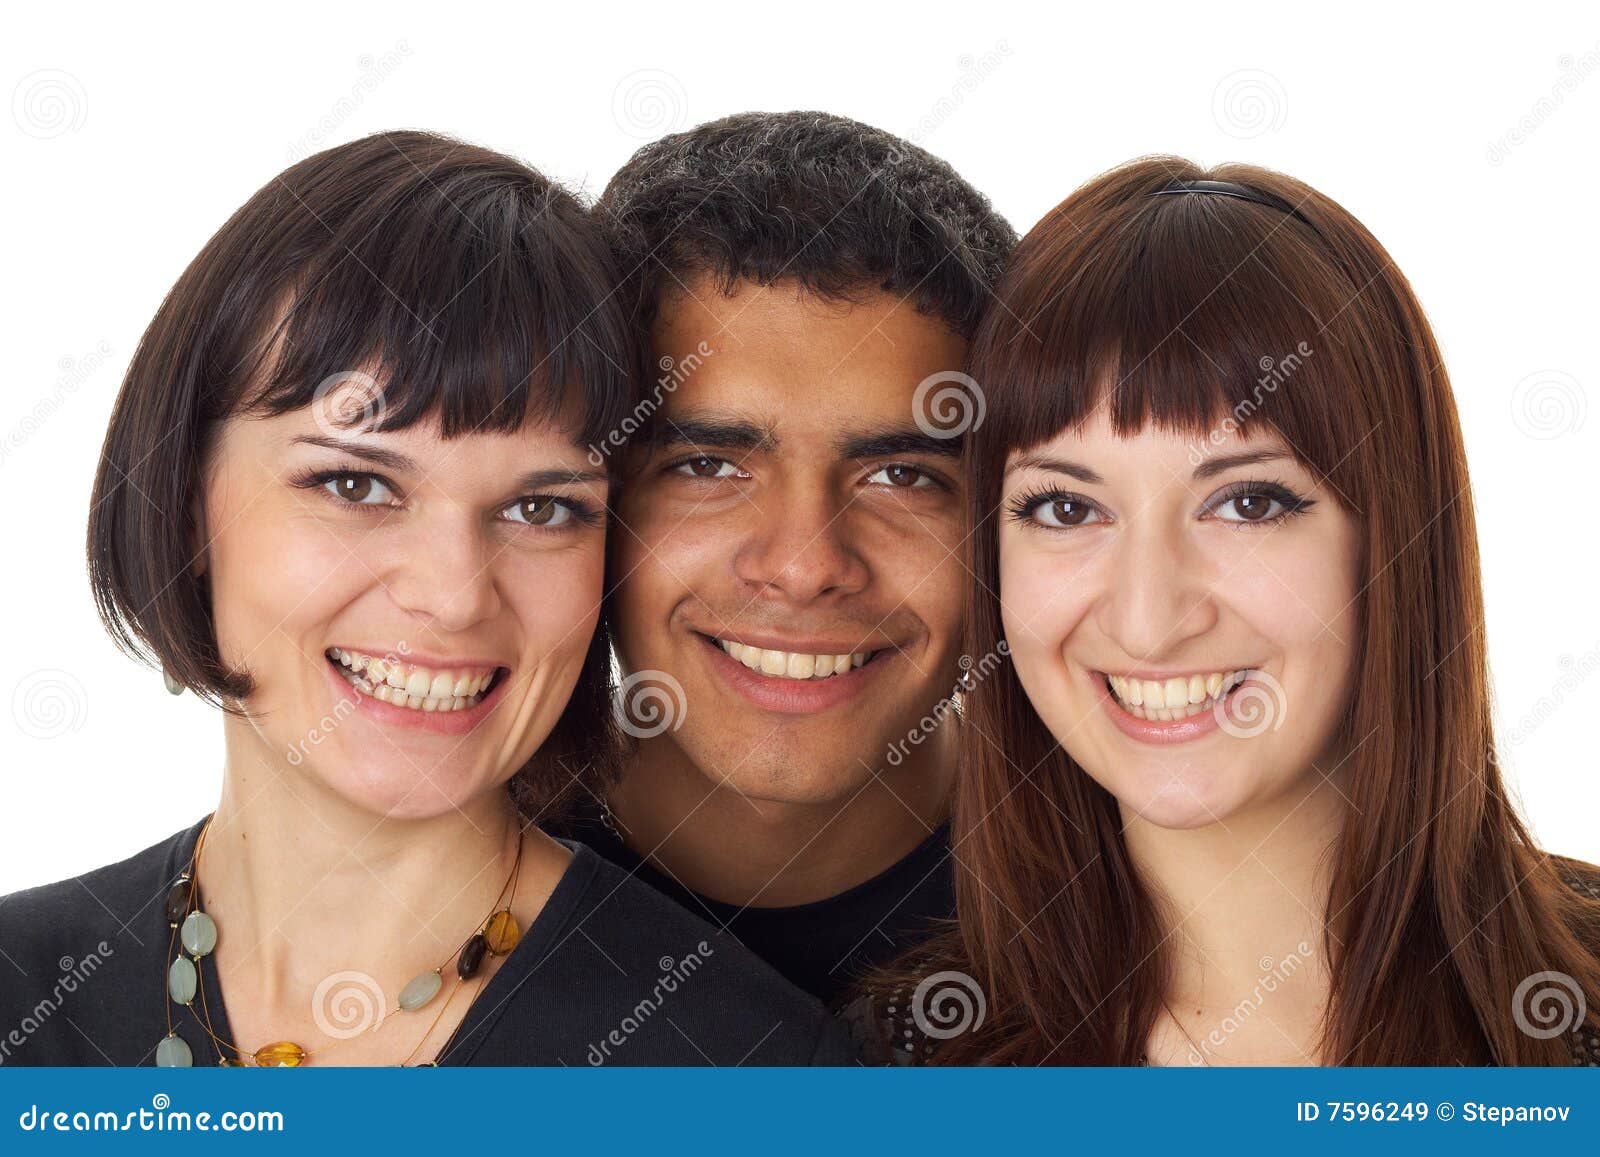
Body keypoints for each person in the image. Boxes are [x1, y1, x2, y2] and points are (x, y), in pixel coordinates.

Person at [0, 131, 853, 1067]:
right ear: (182, 497)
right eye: (356, 485)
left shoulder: (752, 1067)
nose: (452, 595)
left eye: (542, 506)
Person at [873, 158, 1600, 1065]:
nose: (1147, 619)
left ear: (1397, 541)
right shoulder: (892, 1065)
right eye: (1065, 508)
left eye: (1248, 503)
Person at [547, 112, 1016, 1009]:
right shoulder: (436, 895)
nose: (804, 566)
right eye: (708, 465)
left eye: (901, 475)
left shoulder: (1148, 907)